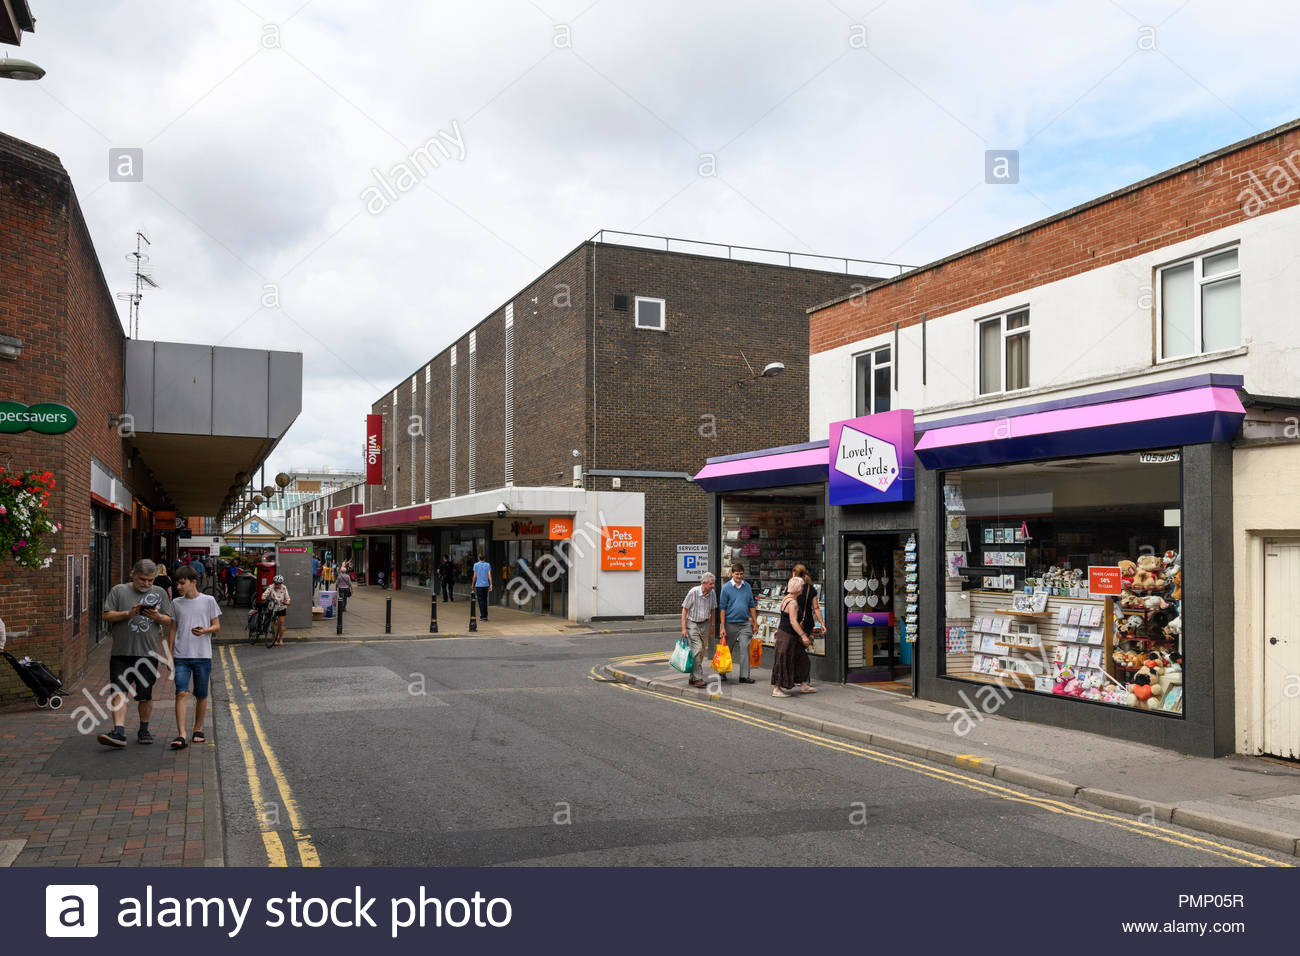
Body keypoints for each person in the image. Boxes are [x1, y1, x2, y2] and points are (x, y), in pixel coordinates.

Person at [98, 559, 173, 747]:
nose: (146, 584)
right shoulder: (119, 591)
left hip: (147, 655)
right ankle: (118, 732)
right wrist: (127, 614)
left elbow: (170, 621)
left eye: (150, 580)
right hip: (121, 653)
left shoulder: (159, 592)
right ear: (133, 575)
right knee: (119, 692)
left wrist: (157, 617)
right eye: (142, 580)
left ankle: (144, 730)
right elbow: (106, 615)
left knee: (145, 696)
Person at [166, 565, 220, 750]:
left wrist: (206, 630)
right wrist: (169, 654)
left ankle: (198, 728)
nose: (178, 587)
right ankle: (181, 734)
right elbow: (172, 628)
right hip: (181, 655)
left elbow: (216, 625)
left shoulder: (209, 600)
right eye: (177, 584)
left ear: (193, 582)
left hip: (202, 655)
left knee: (201, 694)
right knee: (181, 692)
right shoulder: (176, 603)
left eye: (182, 583)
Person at [771, 576, 813, 698]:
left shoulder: (785, 599)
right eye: (802, 587)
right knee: (783, 661)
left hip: (785, 634)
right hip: (788, 636)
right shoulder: (793, 602)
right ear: (798, 589)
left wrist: (777, 630)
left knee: (803, 660)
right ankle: (777, 689)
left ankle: (804, 684)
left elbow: (783, 618)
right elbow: (793, 622)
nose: (803, 589)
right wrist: (804, 636)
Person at [718, 563, 759, 684]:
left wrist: (755, 623)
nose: (739, 576)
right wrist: (722, 626)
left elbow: (752, 605)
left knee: (745, 649)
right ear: (732, 574)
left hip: (745, 623)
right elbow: (723, 608)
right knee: (727, 649)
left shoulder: (747, 586)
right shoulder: (726, 588)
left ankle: (744, 676)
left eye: (741, 574)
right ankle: (722, 673)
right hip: (730, 623)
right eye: (737, 574)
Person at [679, 572, 718, 688]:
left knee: (701, 651)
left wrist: (712, 626)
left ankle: (693, 677)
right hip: (692, 623)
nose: (713, 586)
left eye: (713, 584)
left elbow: (712, 609)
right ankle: (698, 678)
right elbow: (684, 610)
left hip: (705, 623)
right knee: (696, 649)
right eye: (710, 584)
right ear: (703, 583)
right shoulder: (693, 592)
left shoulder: (712, 593)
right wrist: (684, 628)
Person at [791, 563, 823, 692]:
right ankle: (804, 681)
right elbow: (816, 608)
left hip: (795, 622)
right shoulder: (811, 589)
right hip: (807, 623)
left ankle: (803, 680)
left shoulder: (792, 587)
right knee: (801, 651)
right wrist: (822, 623)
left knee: (797, 652)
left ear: (795, 574)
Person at [261, 574, 291, 646]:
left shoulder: (284, 587)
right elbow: (264, 594)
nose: (277, 585)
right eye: (276, 584)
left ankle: (281, 639)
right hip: (273, 607)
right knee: (275, 623)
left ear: (281, 583)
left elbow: (288, 598)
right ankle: (274, 639)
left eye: (279, 584)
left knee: (281, 623)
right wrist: (264, 597)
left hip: (281, 607)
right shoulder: (271, 587)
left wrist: (287, 602)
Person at [472, 553, 492, 620]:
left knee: (480, 601)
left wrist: (473, 584)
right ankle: (485, 615)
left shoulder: (476, 565)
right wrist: (491, 584)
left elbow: (474, 576)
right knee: (485, 600)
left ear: (478, 558)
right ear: (484, 558)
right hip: (486, 585)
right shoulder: (487, 564)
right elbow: (489, 575)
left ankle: (483, 616)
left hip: (479, 585)